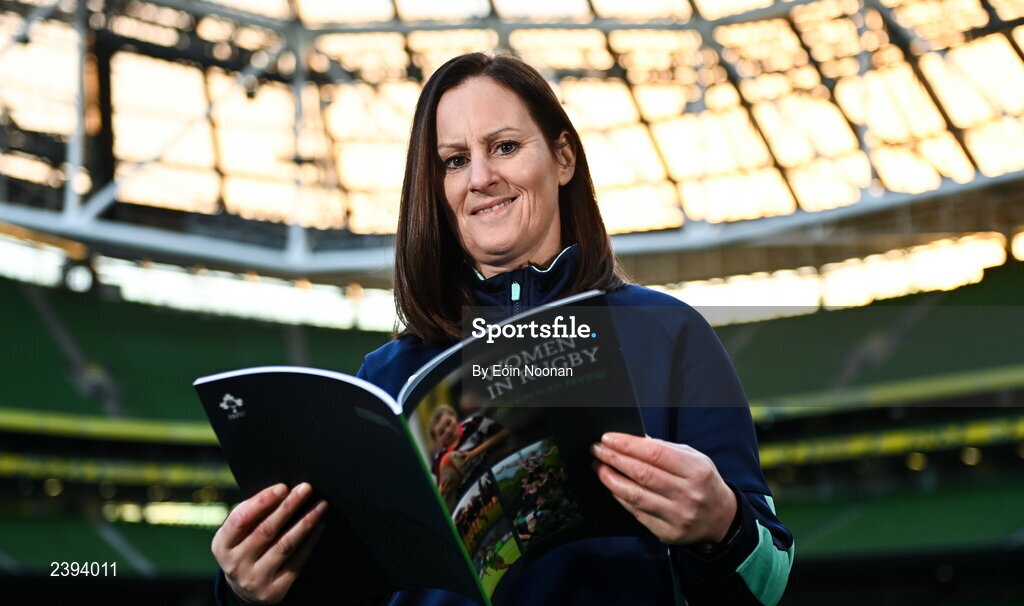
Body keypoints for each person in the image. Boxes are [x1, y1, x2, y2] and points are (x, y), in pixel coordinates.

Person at [211, 52, 794, 606]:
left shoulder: (670, 335)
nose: (480, 177)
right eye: (455, 160)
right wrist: (247, 591)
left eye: (505, 147)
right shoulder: (385, 376)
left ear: (563, 158)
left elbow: (768, 585)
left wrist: (723, 523)